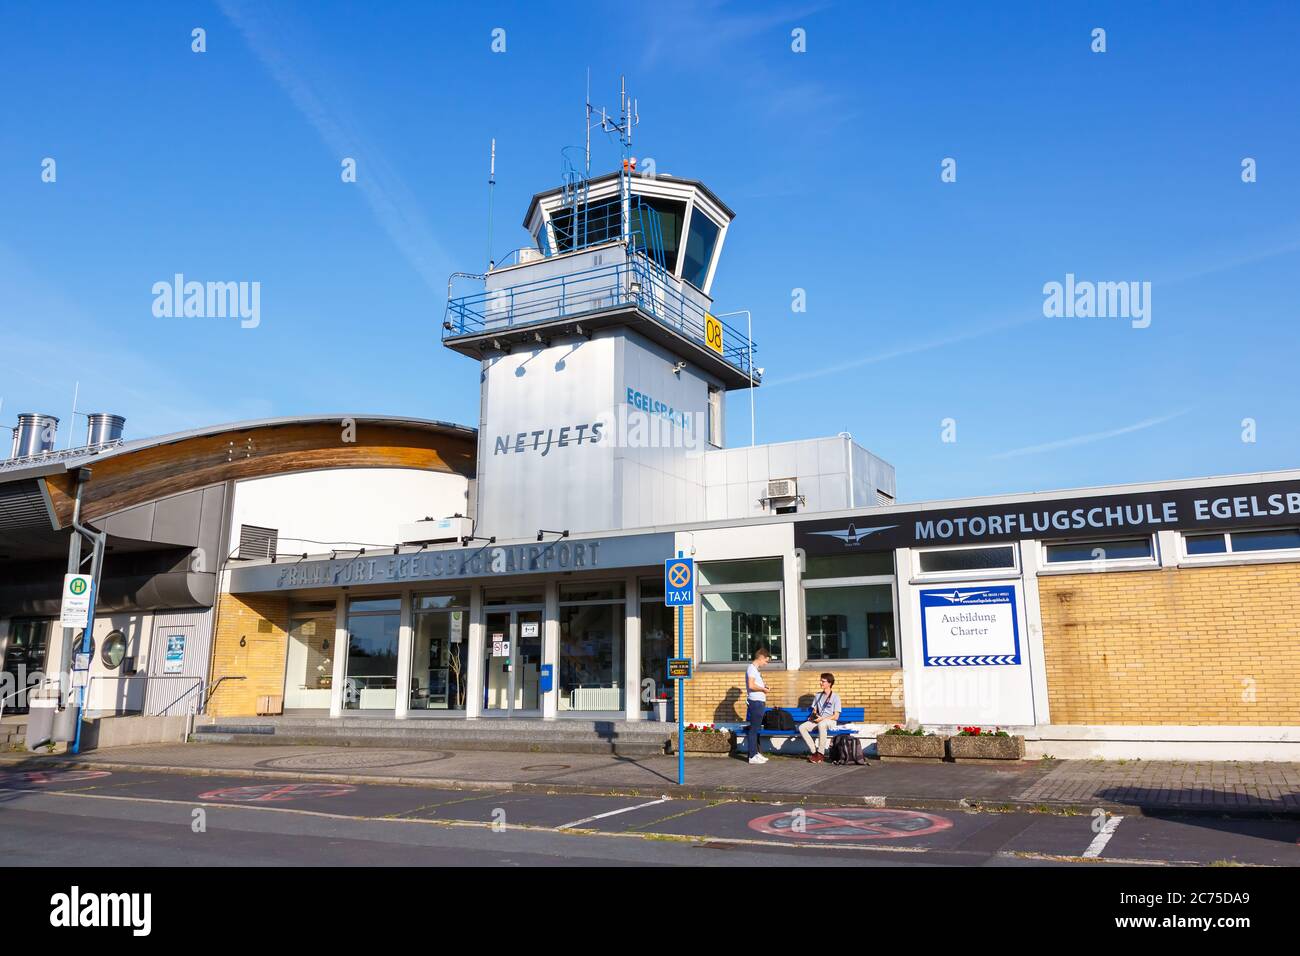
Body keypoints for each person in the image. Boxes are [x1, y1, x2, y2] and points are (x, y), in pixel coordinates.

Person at [799, 673, 841, 763]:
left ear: (829, 683)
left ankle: (821, 753)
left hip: (830, 721)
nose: (820, 683)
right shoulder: (818, 695)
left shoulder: (836, 697)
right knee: (801, 727)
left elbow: (836, 716)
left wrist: (822, 719)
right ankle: (814, 753)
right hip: (818, 720)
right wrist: (814, 716)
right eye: (820, 681)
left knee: (822, 724)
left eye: (823, 681)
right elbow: (814, 710)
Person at [744, 646, 771, 764]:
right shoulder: (751, 669)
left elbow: (755, 685)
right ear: (761, 657)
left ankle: (756, 753)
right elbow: (751, 685)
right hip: (755, 703)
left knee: (756, 729)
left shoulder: (755, 670)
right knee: (754, 729)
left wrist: (763, 688)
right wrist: (763, 689)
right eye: (766, 661)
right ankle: (752, 756)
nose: (766, 663)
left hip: (758, 702)